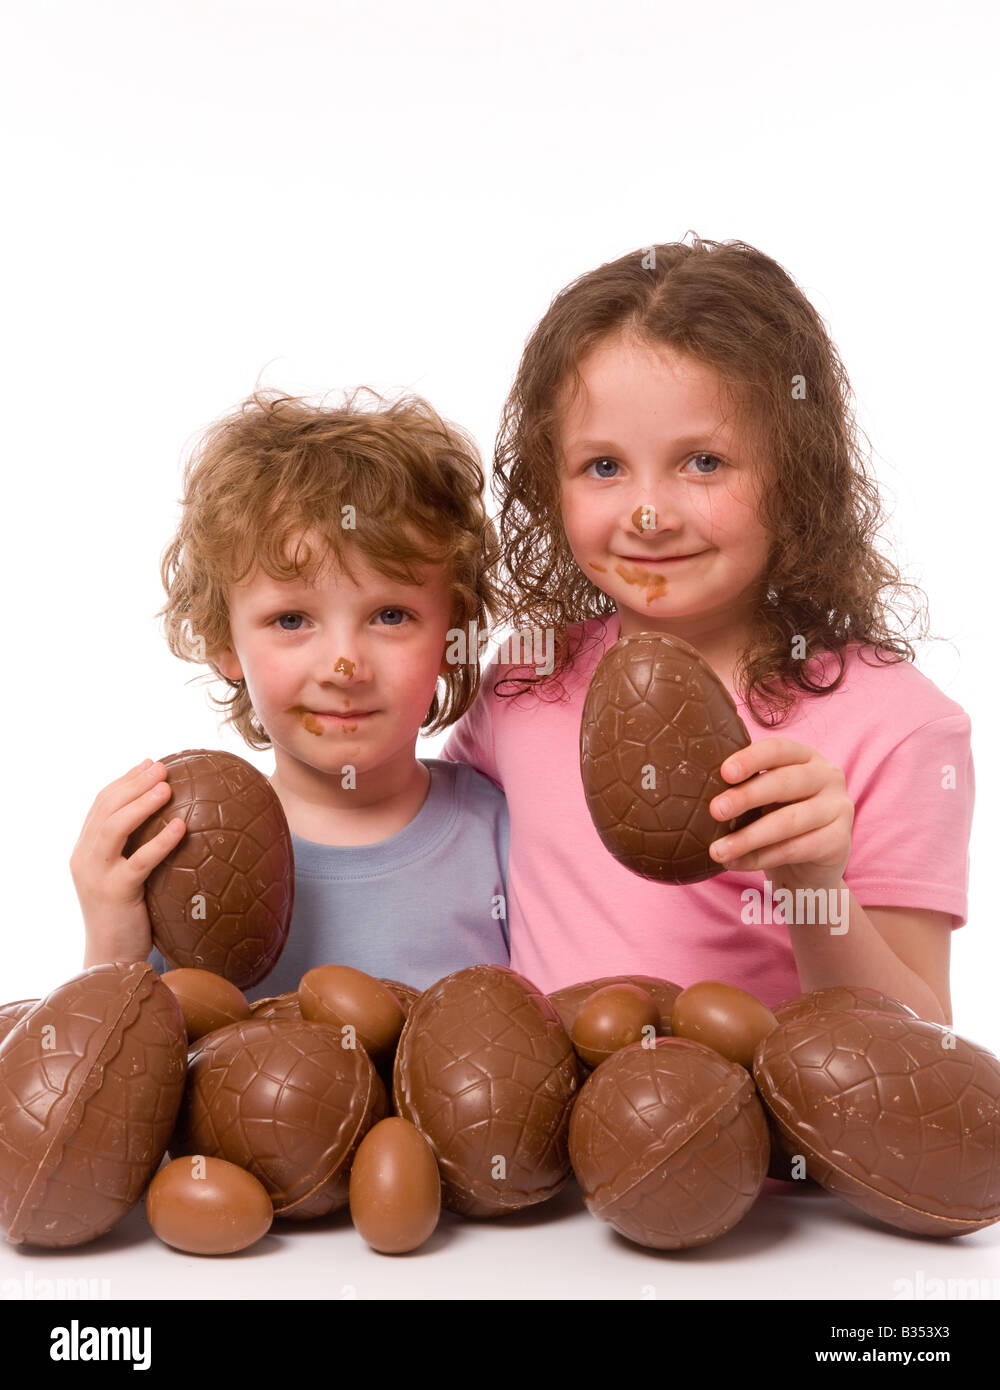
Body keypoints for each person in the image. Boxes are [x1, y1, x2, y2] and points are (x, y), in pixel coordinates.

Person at [440, 236, 972, 1022]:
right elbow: (413, 828)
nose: (649, 513)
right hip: (537, 1137)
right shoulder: (527, 679)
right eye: (604, 467)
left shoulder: (900, 726)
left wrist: (813, 886)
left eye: (704, 463)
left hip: (752, 1143)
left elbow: (919, 1040)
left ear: (796, 470)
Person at [72, 388, 510, 997]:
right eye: (291, 620)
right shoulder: (180, 851)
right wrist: (112, 943)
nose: (343, 665)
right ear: (224, 639)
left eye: (390, 615)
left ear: (453, 634)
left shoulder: (501, 833)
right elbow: (121, 1071)